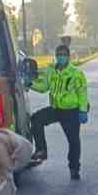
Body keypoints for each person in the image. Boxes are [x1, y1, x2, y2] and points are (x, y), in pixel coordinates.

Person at [28, 44, 88, 180]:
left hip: (71, 112)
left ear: (68, 57)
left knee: (73, 141)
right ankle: (41, 150)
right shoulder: (51, 71)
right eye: (59, 54)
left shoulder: (76, 73)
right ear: (56, 56)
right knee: (36, 119)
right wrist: (30, 84)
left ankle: (74, 168)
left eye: (63, 55)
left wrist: (83, 111)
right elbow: (44, 87)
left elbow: (82, 92)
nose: (61, 57)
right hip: (56, 109)